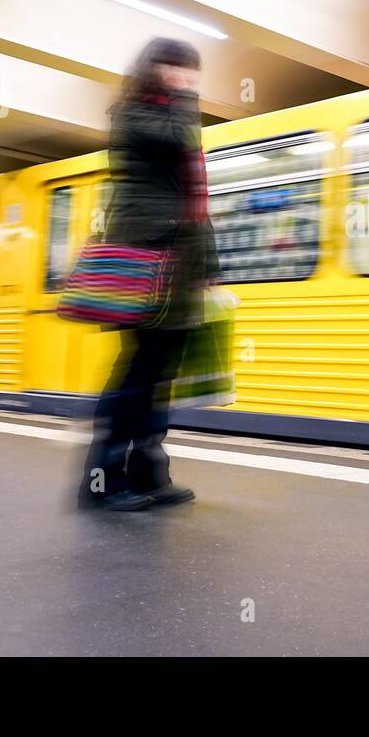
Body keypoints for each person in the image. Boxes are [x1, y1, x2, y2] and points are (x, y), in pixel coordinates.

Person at [78, 37, 217, 511]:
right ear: (154, 69)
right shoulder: (133, 114)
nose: (188, 78)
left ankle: (150, 474)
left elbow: (197, 201)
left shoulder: (172, 114)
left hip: (178, 268)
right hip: (146, 264)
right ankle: (102, 481)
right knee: (136, 377)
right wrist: (185, 96)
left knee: (162, 377)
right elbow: (179, 139)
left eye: (191, 71)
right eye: (178, 68)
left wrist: (209, 268)